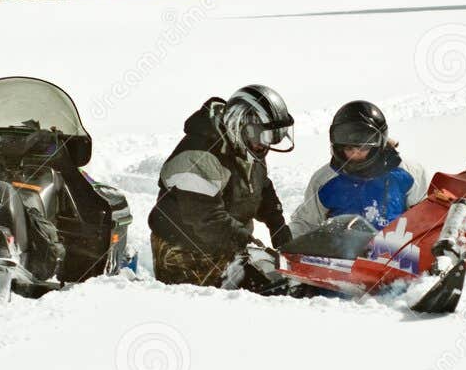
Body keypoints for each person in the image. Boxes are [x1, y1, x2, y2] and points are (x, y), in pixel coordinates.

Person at [149, 84, 294, 287]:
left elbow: (261, 188)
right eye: (263, 136)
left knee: (279, 279)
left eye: (271, 137)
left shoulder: (247, 147)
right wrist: (250, 244)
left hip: (227, 244)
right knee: (259, 289)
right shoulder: (198, 157)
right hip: (185, 250)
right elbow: (206, 218)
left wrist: (279, 228)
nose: (266, 144)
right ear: (238, 124)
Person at [286, 100, 426, 239]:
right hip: (339, 257)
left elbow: (424, 218)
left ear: (379, 143)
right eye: (348, 148)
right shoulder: (325, 179)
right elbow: (305, 222)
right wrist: (285, 242)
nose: (355, 153)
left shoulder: (407, 172)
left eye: (363, 147)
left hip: (395, 255)